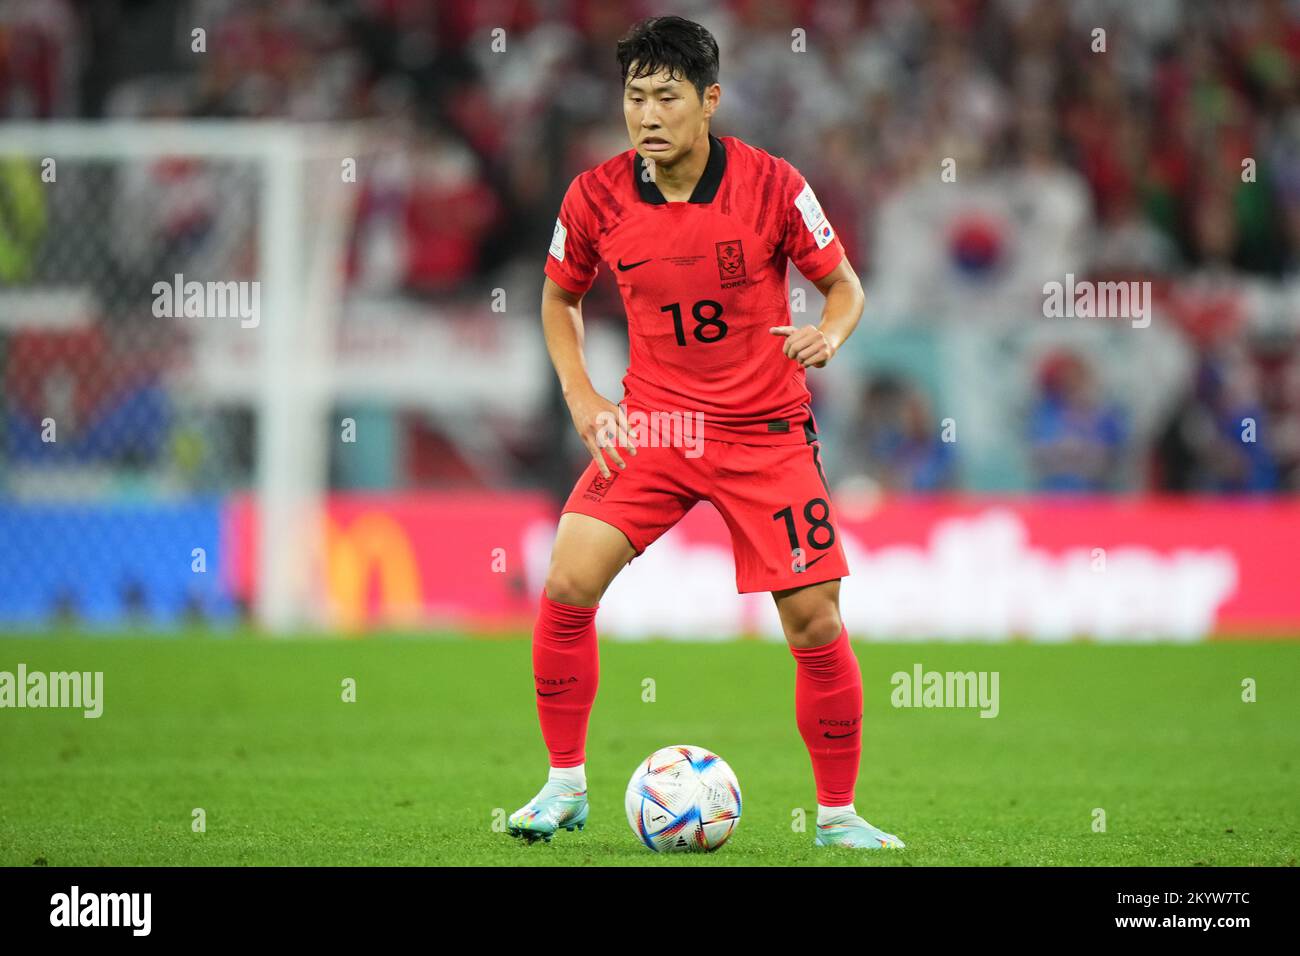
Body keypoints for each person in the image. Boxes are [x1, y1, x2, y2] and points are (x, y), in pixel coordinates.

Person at [506, 16, 903, 850]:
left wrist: (828, 335)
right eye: (634, 97)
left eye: (666, 97)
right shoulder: (595, 196)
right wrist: (582, 396)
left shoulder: (773, 185)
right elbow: (557, 298)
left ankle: (837, 817)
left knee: (816, 622)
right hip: (652, 426)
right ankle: (564, 787)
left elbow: (845, 290)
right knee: (568, 580)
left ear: (709, 101)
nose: (646, 115)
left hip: (765, 433)